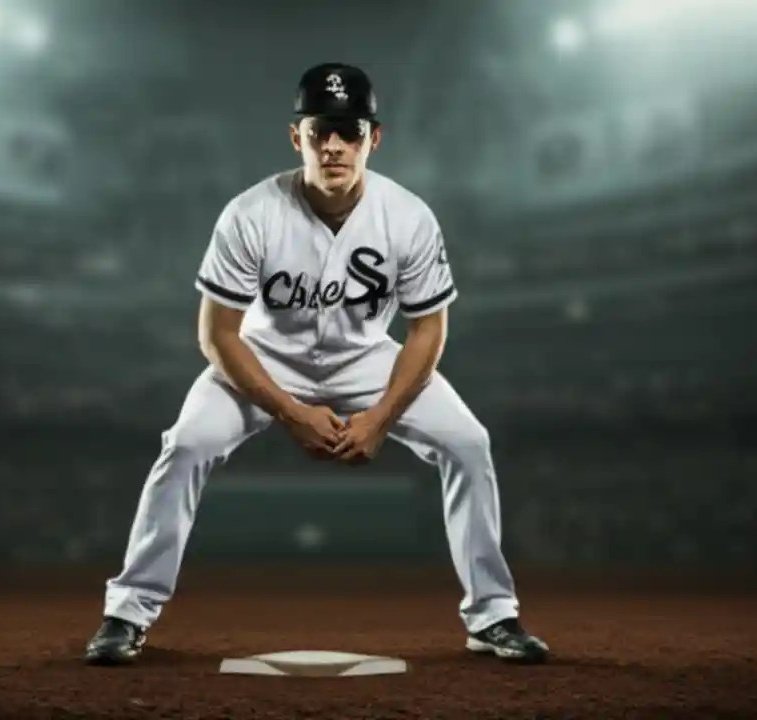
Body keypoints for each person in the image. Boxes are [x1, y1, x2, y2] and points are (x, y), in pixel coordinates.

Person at [84, 62, 548, 666]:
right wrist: (290, 412)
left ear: (372, 138)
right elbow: (217, 334)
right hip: (263, 356)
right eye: (319, 130)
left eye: (349, 131)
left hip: (367, 358)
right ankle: (128, 611)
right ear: (296, 136)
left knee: (468, 442)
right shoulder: (251, 213)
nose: (334, 145)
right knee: (188, 443)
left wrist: (380, 417)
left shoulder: (407, 216)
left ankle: (492, 615)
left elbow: (428, 330)